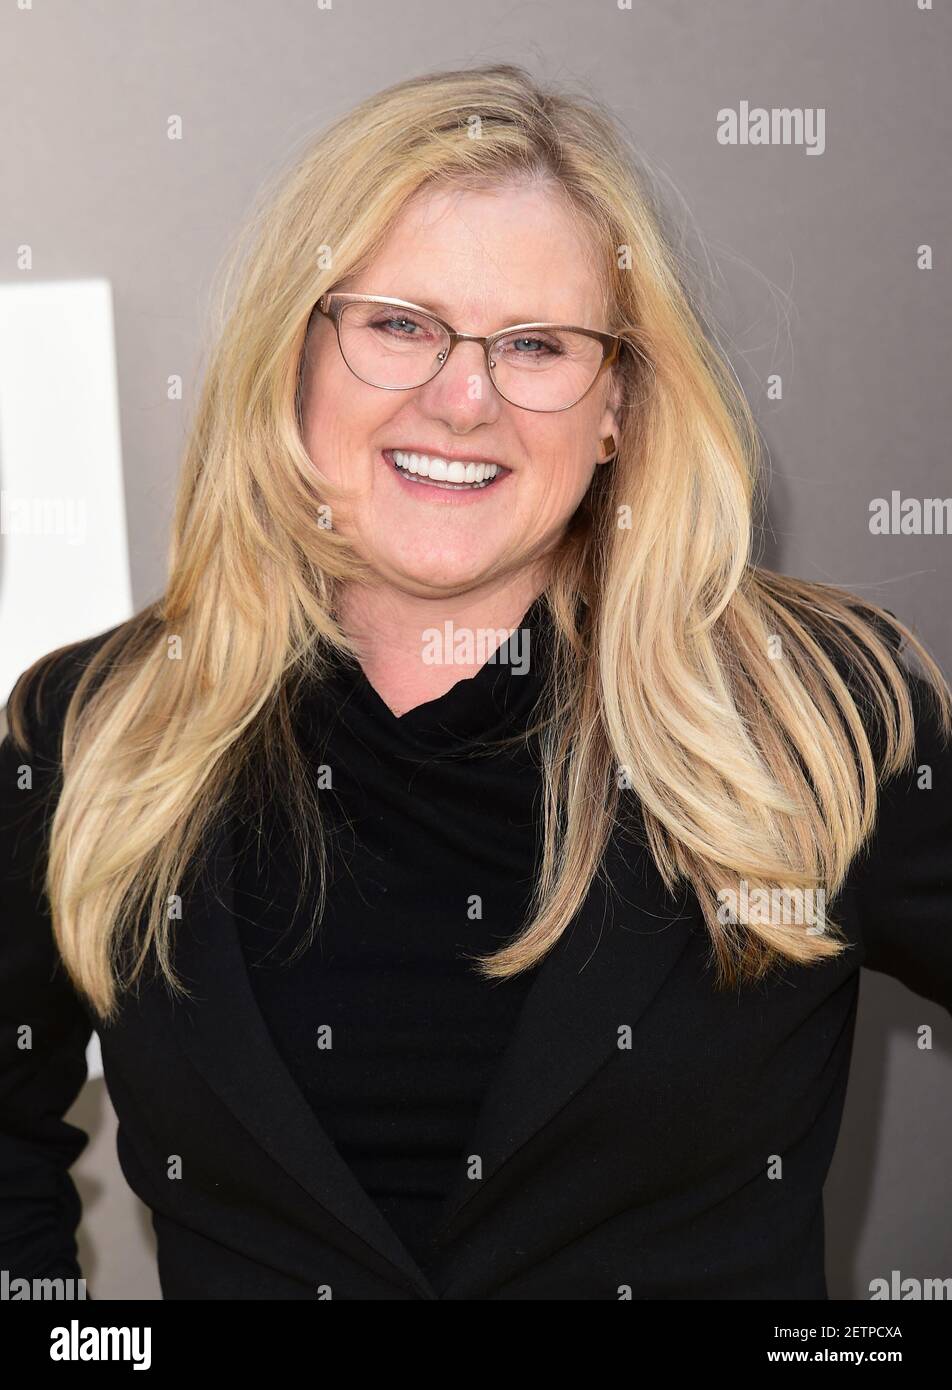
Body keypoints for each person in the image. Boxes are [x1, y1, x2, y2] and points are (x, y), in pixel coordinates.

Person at [1, 62, 950, 1301]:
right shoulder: (94, 729)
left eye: (538, 345)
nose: (462, 399)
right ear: (296, 356)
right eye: (399, 323)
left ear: (617, 402)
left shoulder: (815, 708)